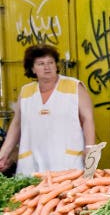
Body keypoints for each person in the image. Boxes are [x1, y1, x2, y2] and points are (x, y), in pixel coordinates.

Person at [0, 44, 95, 175]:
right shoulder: (26, 92)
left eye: (51, 62)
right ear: (32, 69)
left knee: (68, 187)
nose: (47, 67)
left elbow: (88, 119)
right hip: (31, 164)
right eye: (41, 64)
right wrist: (3, 154)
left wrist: (90, 148)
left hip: (66, 162)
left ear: (56, 65)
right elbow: (16, 125)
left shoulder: (74, 87)